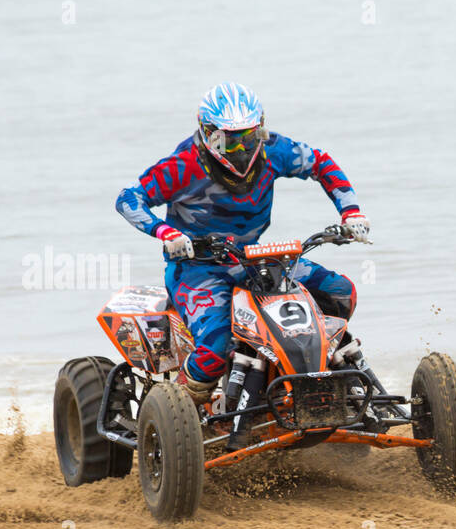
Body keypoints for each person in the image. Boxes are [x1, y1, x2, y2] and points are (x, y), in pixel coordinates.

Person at [116, 81, 371, 403]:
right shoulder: (183, 164)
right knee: (215, 350)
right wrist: (166, 233)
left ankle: (318, 373)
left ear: (260, 129)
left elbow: (320, 163)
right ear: (207, 133)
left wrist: (351, 212)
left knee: (341, 293)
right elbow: (129, 199)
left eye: (248, 138)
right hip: (197, 268)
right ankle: (181, 405)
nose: (240, 150)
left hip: (252, 260)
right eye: (228, 141)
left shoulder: (273, 149)